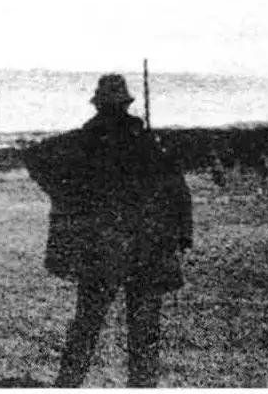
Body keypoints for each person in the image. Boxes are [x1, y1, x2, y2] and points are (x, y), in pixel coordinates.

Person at [25, 75, 192, 388]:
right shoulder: (148, 142)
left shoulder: (83, 142)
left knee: (87, 322)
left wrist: (64, 194)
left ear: (100, 106)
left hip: (101, 248)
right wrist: (182, 235)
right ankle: (141, 385)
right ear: (127, 105)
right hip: (147, 248)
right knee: (143, 326)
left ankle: (69, 383)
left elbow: (34, 156)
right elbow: (178, 191)